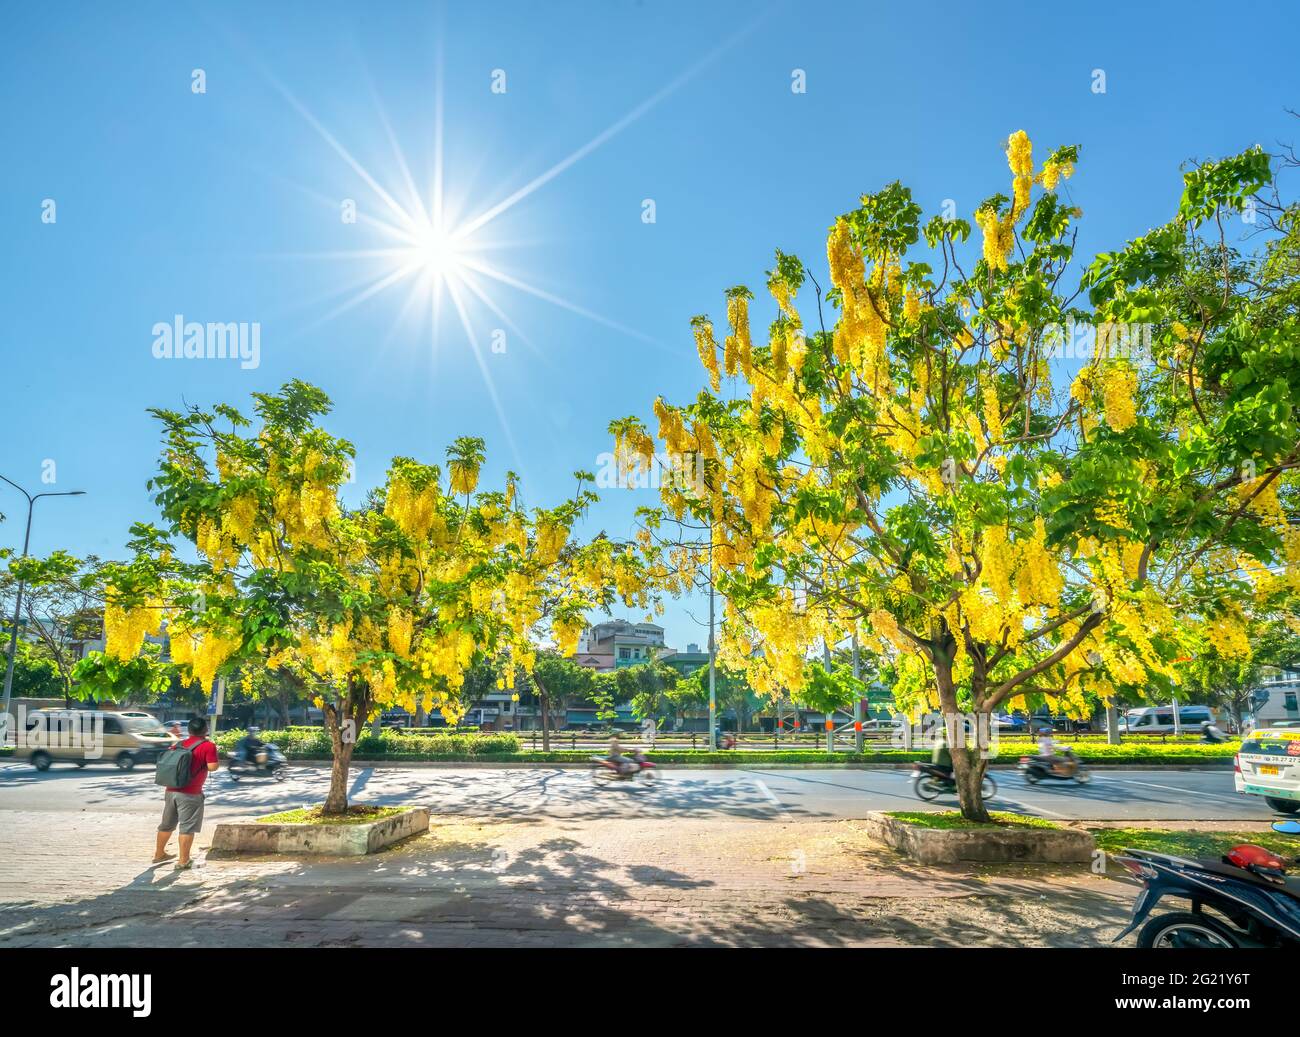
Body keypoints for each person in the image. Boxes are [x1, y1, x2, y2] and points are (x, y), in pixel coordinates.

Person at [154, 716, 220, 870]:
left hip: (171, 790)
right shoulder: (208, 746)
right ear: (205, 730)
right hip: (191, 793)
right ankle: (183, 861)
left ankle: (159, 854)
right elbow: (212, 767)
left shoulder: (179, 744)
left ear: (189, 730)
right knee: (187, 827)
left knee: (167, 824)